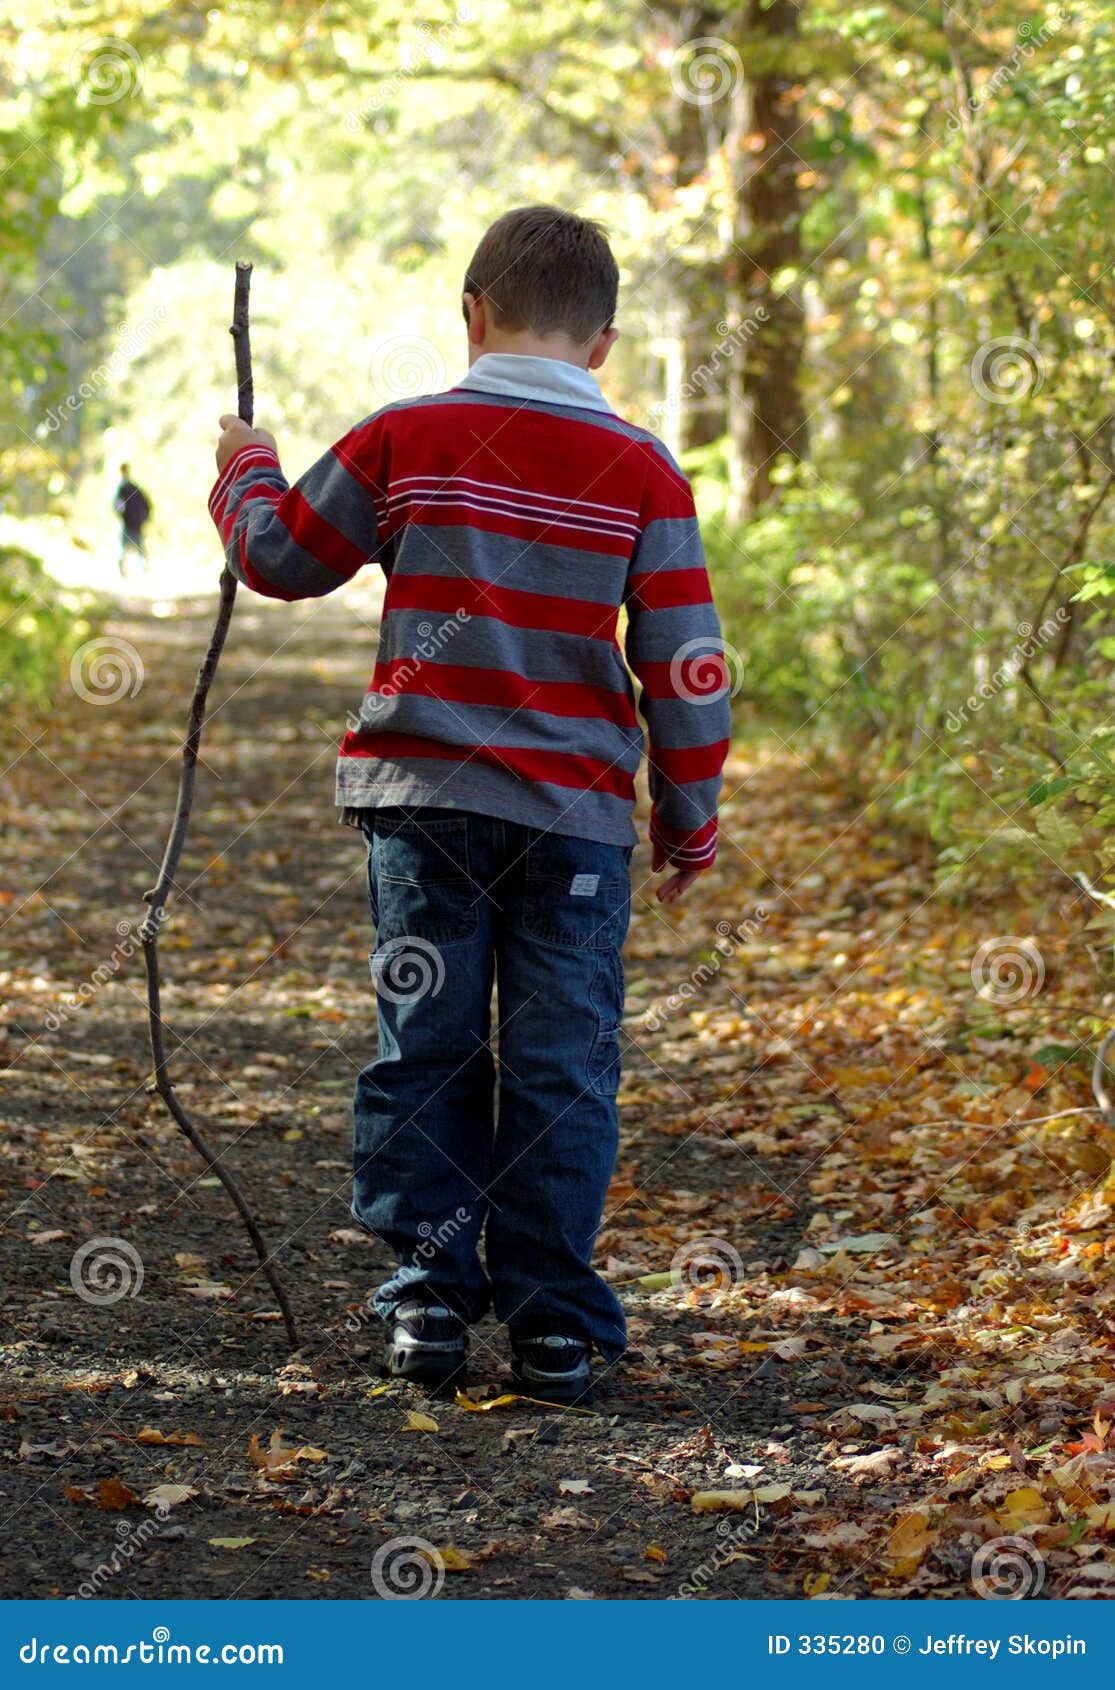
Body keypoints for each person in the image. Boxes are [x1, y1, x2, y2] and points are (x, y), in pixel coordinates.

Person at [208, 205, 731, 1404]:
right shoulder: (643, 471)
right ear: (602, 344)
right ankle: (551, 1327)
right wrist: (685, 824)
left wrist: (246, 462)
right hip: (578, 822)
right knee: (560, 1063)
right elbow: (685, 666)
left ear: (470, 310)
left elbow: (281, 556)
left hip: (425, 805)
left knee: (428, 1049)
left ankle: (428, 1312)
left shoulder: (406, 434)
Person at [113, 463, 151, 575]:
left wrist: (120, 516)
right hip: (136, 523)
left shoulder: (121, 488)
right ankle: (143, 569)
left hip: (127, 524)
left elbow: (118, 507)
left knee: (122, 548)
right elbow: (147, 504)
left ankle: (122, 572)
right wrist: (145, 518)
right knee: (139, 548)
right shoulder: (135, 488)